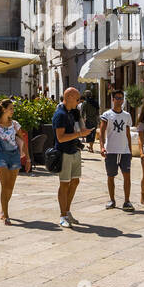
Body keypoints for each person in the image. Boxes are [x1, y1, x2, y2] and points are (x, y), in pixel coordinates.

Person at [0, 98, 30, 224]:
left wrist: (28, 159)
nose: (13, 111)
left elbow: (23, 141)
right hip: (0, 156)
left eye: (13, 108)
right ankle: (6, 214)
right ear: (4, 110)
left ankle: (3, 209)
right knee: (5, 185)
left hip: (15, 155)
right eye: (10, 108)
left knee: (10, 187)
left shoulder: (15, 124)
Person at [52, 87, 91, 228]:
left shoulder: (72, 112)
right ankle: (62, 215)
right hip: (64, 152)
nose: (79, 101)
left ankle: (67, 211)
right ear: (68, 97)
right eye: (77, 98)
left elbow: (80, 124)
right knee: (64, 183)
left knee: (75, 182)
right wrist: (79, 135)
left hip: (75, 151)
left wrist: (82, 126)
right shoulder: (60, 114)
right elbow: (60, 138)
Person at [98, 90, 135, 211]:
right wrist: (102, 147)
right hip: (111, 150)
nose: (119, 100)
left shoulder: (127, 115)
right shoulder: (107, 115)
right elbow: (102, 132)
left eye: (121, 98)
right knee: (111, 176)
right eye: (117, 98)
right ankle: (112, 200)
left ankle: (127, 201)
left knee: (127, 176)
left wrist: (129, 150)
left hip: (124, 151)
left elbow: (128, 133)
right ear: (113, 99)